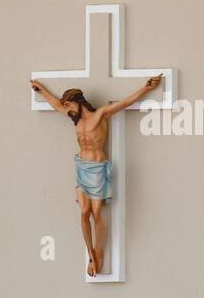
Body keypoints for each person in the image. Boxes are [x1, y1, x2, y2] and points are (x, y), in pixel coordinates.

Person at [30, 74, 162, 275]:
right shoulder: (73, 118)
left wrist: (146, 88)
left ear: (78, 103)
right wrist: (41, 89)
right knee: (84, 213)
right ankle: (91, 254)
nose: (67, 110)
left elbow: (126, 102)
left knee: (97, 213)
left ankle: (99, 252)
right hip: (82, 167)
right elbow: (55, 104)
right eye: (66, 107)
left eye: (70, 106)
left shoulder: (100, 114)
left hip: (98, 169)